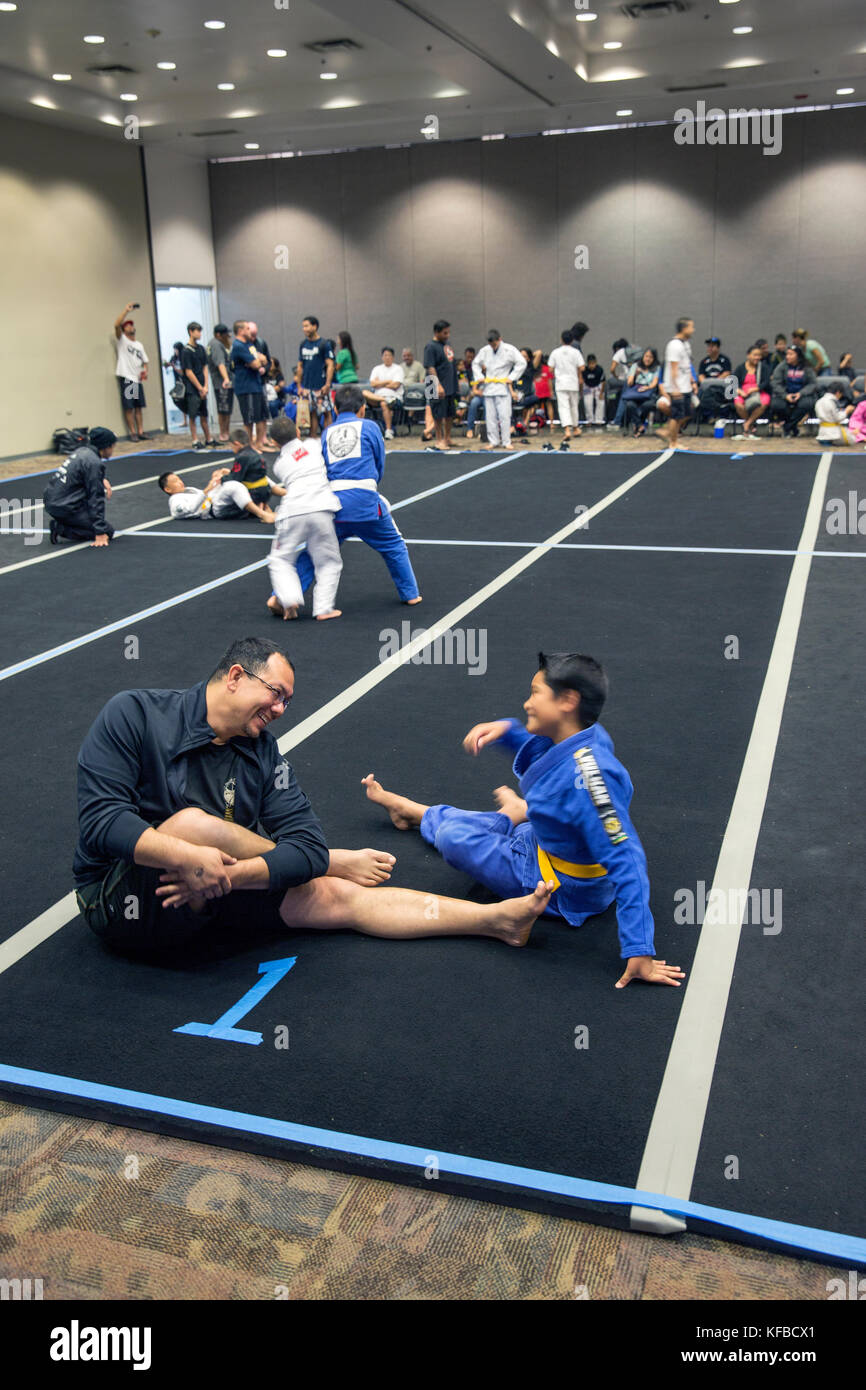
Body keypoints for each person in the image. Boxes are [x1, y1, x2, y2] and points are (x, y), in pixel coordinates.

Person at [74, 637, 555, 959]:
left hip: (212, 889)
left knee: (336, 895)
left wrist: (233, 874)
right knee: (192, 827)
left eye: (288, 702)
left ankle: (493, 921)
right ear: (236, 676)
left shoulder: (261, 751)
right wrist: (189, 856)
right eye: (276, 694)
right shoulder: (133, 714)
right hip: (122, 904)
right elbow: (101, 823)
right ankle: (316, 861)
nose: (281, 710)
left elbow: (304, 845)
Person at [362, 651, 685, 990]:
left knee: (455, 838)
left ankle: (489, 815)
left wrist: (639, 948)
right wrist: (508, 732)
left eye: (535, 693)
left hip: (558, 884)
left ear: (568, 701)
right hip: (545, 840)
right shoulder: (586, 735)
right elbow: (548, 746)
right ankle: (432, 813)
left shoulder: (592, 781)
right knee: (501, 823)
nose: (526, 702)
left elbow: (627, 859)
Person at [292, 384, 422, 606]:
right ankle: (410, 594)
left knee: (314, 550)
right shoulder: (370, 427)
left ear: (335, 407)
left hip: (333, 503)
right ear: (362, 408)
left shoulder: (327, 432)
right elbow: (379, 465)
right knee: (393, 545)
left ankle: (284, 596)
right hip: (365, 502)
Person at [265, 416, 342, 622]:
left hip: (293, 511)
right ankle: (324, 609)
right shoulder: (313, 445)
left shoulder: (279, 465)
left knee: (281, 559)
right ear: (298, 432)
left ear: (274, 443)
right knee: (328, 562)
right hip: (321, 507)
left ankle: (289, 599)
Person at [44, 427, 117, 547]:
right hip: (64, 505)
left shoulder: (83, 451)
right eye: (113, 446)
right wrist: (99, 531)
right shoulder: (93, 462)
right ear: (106, 446)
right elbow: (96, 498)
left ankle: (67, 522)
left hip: (54, 499)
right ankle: (61, 528)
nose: (113, 450)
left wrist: (101, 478)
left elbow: (81, 471)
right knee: (108, 531)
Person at [158, 468, 275, 523]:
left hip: (214, 499)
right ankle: (262, 513)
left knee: (244, 475)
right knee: (232, 486)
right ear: (168, 489)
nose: (180, 482)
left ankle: (274, 497)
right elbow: (190, 509)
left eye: (179, 478)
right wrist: (207, 489)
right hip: (213, 509)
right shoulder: (175, 501)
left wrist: (217, 478)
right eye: (175, 481)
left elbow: (207, 493)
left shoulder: (189, 490)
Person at [472, 330, 525, 451]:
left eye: (494, 344)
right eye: (491, 344)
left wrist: (512, 377)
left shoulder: (509, 349)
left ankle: (506, 441)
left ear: (499, 339)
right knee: (490, 416)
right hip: (489, 386)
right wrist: (479, 376)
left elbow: (521, 363)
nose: (493, 346)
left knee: (505, 416)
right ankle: (493, 441)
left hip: (503, 386)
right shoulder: (485, 350)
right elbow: (475, 364)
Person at [230, 320, 272, 454]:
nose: (251, 332)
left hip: (256, 385)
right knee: (249, 419)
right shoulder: (238, 346)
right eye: (248, 329)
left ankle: (259, 444)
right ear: (241, 331)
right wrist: (255, 362)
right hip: (245, 386)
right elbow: (255, 364)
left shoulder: (249, 344)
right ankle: (250, 446)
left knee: (261, 416)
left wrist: (256, 361)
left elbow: (263, 360)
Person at [656, 317, 695, 447]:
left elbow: (687, 365)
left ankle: (668, 432)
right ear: (684, 329)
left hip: (686, 386)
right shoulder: (674, 345)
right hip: (676, 387)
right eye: (691, 327)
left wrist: (692, 381)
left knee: (688, 412)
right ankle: (673, 442)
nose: (693, 330)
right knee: (676, 415)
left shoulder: (686, 344)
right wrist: (675, 387)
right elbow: (673, 368)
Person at [113, 302, 149, 442]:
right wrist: (126, 311)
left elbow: (145, 361)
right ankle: (132, 432)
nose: (131, 327)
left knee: (139, 406)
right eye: (128, 325)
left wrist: (145, 371)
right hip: (128, 377)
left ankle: (141, 431)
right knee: (130, 407)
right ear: (124, 329)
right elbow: (116, 325)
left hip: (137, 378)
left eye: (132, 325)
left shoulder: (139, 345)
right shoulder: (122, 340)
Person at [224, 426, 285, 509]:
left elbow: (235, 479)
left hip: (255, 493)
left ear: (236, 444)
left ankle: (256, 509)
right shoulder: (255, 452)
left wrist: (222, 478)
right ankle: (262, 503)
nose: (232, 449)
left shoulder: (242, 457)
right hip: (266, 490)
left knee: (224, 507)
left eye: (231, 446)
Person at [296, 314, 335, 437]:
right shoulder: (303, 344)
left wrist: (327, 384)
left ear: (315, 326)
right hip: (307, 386)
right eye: (303, 327)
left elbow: (330, 365)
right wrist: (299, 386)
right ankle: (313, 439)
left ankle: (328, 438)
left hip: (321, 385)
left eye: (307, 326)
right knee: (312, 413)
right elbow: (300, 366)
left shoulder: (324, 344)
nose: (304, 329)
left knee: (326, 412)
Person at [422, 319, 459, 449]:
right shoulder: (430, 346)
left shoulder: (447, 344)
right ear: (436, 332)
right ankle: (439, 440)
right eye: (445, 333)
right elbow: (430, 367)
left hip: (449, 383)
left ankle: (447, 438)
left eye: (448, 332)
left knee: (449, 413)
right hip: (434, 384)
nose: (447, 335)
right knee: (438, 414)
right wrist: (437, 385)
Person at [770, 345, 818, 437]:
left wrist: (801, 393)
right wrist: (785, 395)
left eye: (791, 354)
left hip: (802, 395)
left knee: (806, 404)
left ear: (798, 356)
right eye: (787, 354)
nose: (787, 356)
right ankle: (793, 428)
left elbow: (813, 384)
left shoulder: (806, 367)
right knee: (776, 405)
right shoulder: (782, 366)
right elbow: (775, 383)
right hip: (785, 395)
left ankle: (787, 427)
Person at [547, 329, 584, 446]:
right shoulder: (576, 352)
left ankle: (567, 430)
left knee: (563, 407)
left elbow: (550, 369)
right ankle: (576, 428)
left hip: (561, 383)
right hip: (573, 382)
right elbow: (582, 367)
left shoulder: (555, 352)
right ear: (572, 340)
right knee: (574, 406)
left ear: (561, 340)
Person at [181, 322, 214, 450]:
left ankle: (208, 439)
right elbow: (188, 372)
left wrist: (205, 386)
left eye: (200, 331)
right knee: (193, 415)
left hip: (202, 388)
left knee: (204, 414)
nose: (199, 334)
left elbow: (205, 367)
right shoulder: (186, 351)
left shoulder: (201, 349)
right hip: (192, 388)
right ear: (190, 331)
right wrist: (199, 387)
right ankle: (195, 440)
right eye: (197, 331)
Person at [732, 345, 773, 439]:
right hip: (743, 392)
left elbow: (766, 382)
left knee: (764, 402)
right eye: (755, 355)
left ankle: (747, 424)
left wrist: (755, 389)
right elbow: (733, 381)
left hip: (759, 391)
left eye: (759, 355)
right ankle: (751, 425)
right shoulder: (740, 367)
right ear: (748, 355)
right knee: (738, 404)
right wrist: (740, 391)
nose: (757, 357)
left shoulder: (764, 368)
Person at [363, 347, 404, 439]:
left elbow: (395, 385)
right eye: (385, 355)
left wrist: (380, 383)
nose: (387, 357)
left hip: (394, 397)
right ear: (382, 357)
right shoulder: (377, 369)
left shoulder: (398, 369)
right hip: (377, 396)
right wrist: (388, 381)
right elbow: (373, 384)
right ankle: (385, 399)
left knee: (383, 404)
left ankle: (388, 431)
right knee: (364, 393)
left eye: (389, 355)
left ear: (393, 357)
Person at [621, 349, 660, 436]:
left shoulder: (656, 368)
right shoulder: (635, 366)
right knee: (630, 405)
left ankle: (638, 426)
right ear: (643, 357)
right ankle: (640, 425)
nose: (648, 359)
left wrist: (647, 387)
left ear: (654, 359)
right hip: (636, 392)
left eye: (650, 357)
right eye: (646, 356)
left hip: (648, 392)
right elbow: (629, 383)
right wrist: (636, 375)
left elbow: (654, 383)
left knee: (648, 405)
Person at [207, 324, 234, 442]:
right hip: (221, 381)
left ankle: (226, 431)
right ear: (218, 334)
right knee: (223, 408)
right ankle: (223, 432)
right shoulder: (216, 345)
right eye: (225, 334)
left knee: (227, 407)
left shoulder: (219, 344)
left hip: (224, 380)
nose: (227, 336)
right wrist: (226, 378)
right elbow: (220, 363)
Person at [697, 336, 733, 419]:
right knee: (704, 393)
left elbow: (727, 373)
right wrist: (706, 383)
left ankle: (712, 415)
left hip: (720, 388)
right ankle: (714, 413)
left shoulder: (725, 360)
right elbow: (701, 376)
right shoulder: (704, 362)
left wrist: (713, 381)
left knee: (710, 394)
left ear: (718, 348)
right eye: (708, 346)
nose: (709, 348)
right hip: (707, 389)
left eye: (712, 346)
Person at [582, 354, 605, 427]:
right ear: (587, 363)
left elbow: (603, 382)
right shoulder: (584, 370)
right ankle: (589, 420)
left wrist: (601, 393)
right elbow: (582, 381)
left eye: (593, 363)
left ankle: (599, 420)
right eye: (590, 364)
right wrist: (581, 392)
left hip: (598, 386)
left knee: (600, 402)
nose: (592, 366)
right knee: (587, 403)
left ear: (596, 362)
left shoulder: (599, 369)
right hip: (587, 386)